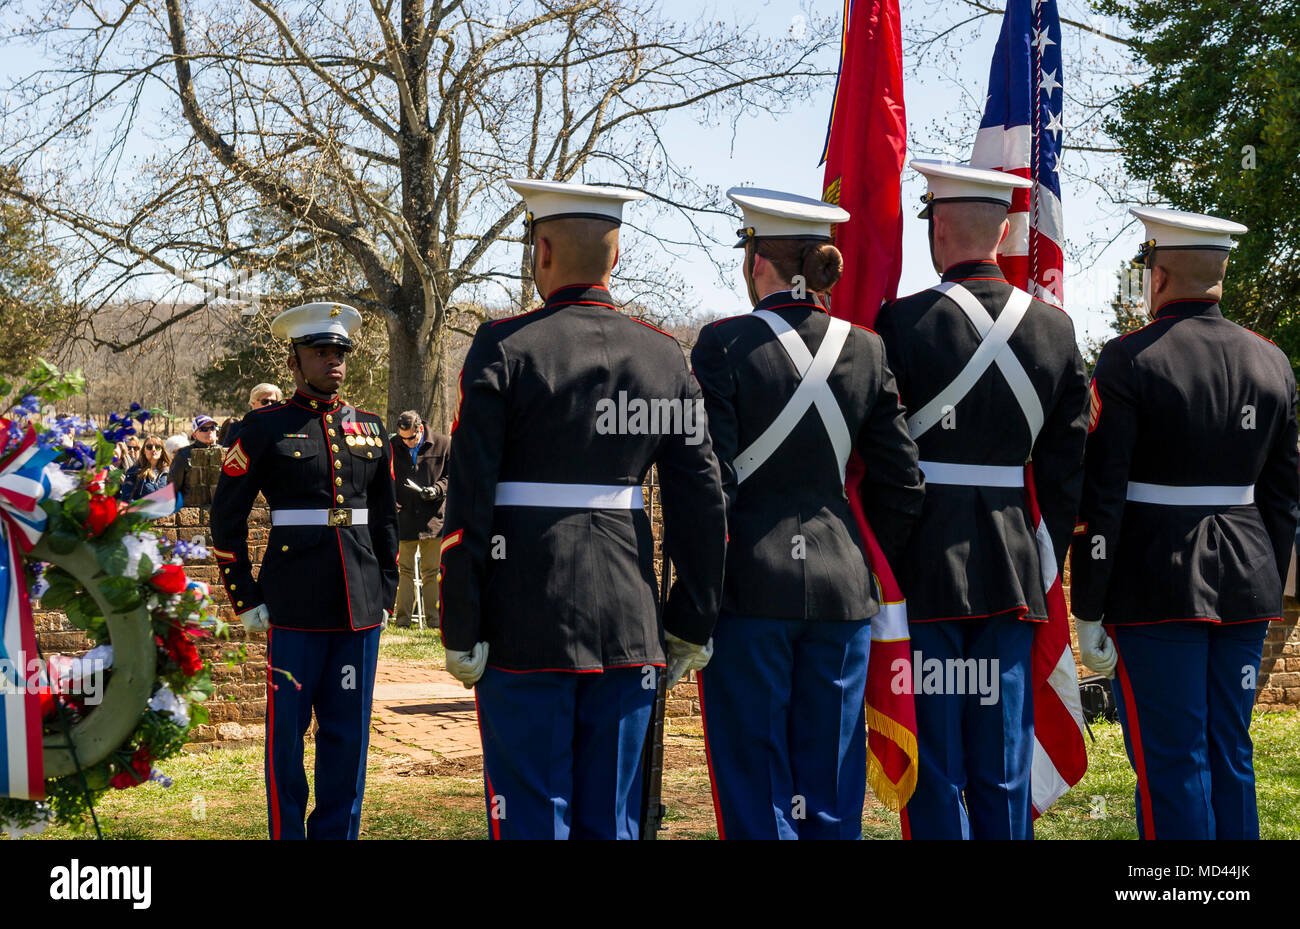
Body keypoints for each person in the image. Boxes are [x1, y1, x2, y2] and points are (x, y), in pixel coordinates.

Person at [439, 178, 727, 840]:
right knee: (616, 822)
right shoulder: (663, 355)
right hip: (630, 623)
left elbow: (470, 500)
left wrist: (462, 620)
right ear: (616, 256)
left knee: (533, 817)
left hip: (525, 619)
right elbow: (702, 499)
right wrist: (691, 617)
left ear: (541, 250)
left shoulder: (504, 346)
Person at [690, 188, 924, 839]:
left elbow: (713, 483)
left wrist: (702, 587)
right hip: (844, 593)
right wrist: (863, 558)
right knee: (830, 791)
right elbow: (904, 482)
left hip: (751, 590)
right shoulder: (867, 350)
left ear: (756, 259)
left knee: (757, 788)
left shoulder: (722, 345)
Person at [874, 161, 1089, 839]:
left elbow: (886, 459)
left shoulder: (900, 323)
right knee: (1001, 763)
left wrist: (893, 544)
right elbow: (1066, 468)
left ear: (937, 228)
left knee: (935, 763)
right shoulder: (1056, 331)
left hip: (925, 571)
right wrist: (1037, 545)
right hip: (1014, 572)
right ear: (1003, 230)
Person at [1071, 207, 1300, 840]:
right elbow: (1284, 500)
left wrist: (1089, 605)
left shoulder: (1127, 359)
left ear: (1159, 273)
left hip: (1155, 583)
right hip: (1247, 584)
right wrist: (1265, 579)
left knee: (1173, 762)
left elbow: (1104, 493)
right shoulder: (1272, 362)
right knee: (1230, 753)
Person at [209, 302, 399, 840]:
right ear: (294, 361)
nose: (332, 361)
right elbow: (227, 518)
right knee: (287, 737)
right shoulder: (265, 426)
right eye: (320, 352)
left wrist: (387, 587)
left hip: (359, 601)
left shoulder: (370, 426)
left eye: (339, 352)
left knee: (349, 735)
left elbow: (384, 515)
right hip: (292, 601)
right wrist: (244, 596)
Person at [390, 410, 450, 628]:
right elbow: (385, 475)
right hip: (405, 517)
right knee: (404, 569)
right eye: (402, 438)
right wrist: (392, 497)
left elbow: (451, 475)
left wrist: (437, 489)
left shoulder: (443, 444)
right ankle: (403, 620)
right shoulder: (393, 445)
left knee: (431, 572)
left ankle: (434, 621)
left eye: (410, 438)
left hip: (432, 519)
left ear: (420, 430)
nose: (406, 442)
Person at [168, 414, 220, 503]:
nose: (209, 431)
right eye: (204, 429)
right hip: (191, 511)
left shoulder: (225, 452)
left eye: (212, 428)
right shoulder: (183, 454)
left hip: (219, 510)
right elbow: (173, 488)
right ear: (194, 435)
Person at [117, 437, 171, 502]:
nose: (153, 449)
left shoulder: (169, 473)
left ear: (162, 451)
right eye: (149, 447)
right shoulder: (133, 472)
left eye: (157, 447)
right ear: (144, 451)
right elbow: (127, 499)